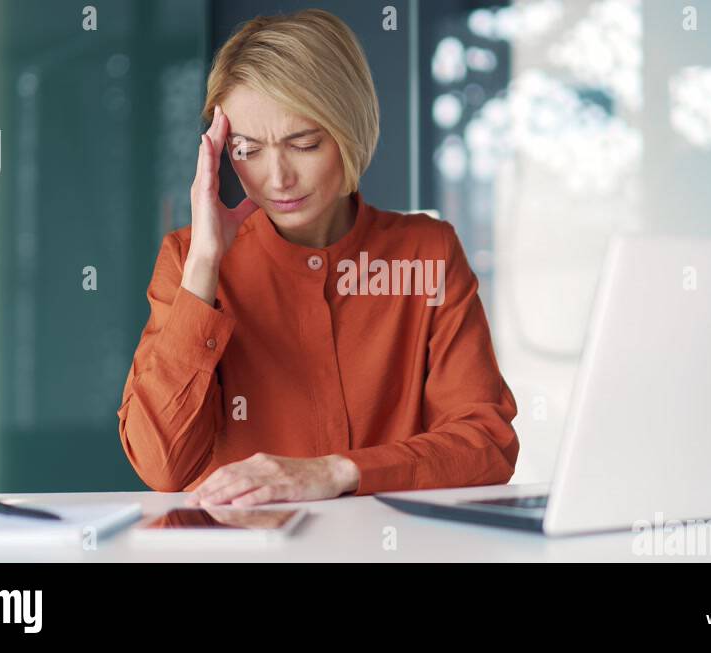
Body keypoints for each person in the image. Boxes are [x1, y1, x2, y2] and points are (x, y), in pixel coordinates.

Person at [117, 8, 518, 508]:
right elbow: (162, 466)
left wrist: (338, 471)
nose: (277, 178)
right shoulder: (188, 259)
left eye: (303, 144)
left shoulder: (427, 252)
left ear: (349, 131)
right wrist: (204, 266)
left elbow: (486, 444)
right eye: (247, 150)